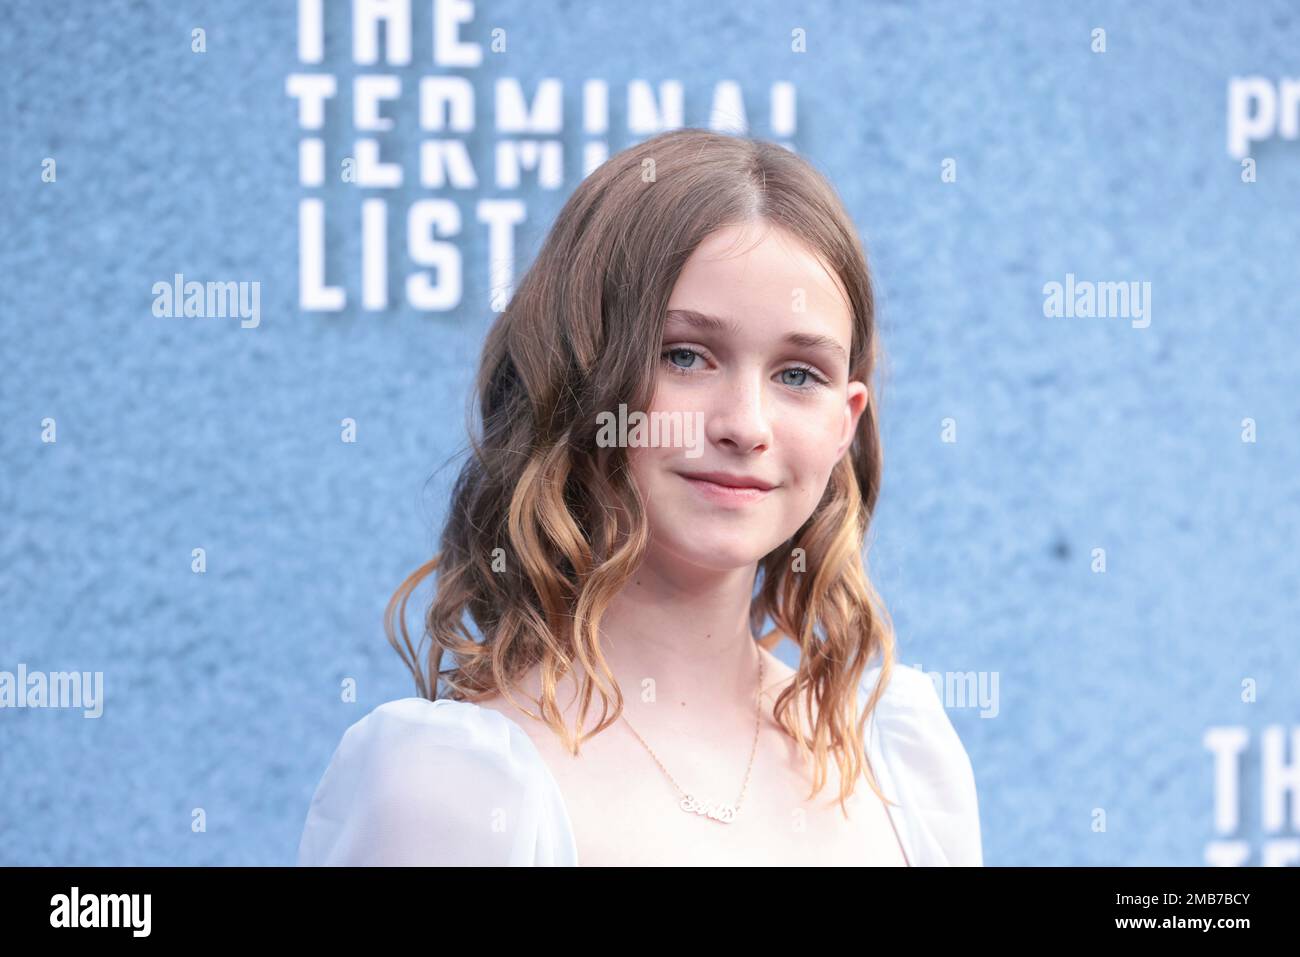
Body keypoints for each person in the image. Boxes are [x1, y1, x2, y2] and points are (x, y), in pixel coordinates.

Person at [297, 128, 983, 867]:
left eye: (797, 374)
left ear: (846, 420)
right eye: (684, 355)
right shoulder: (452, 792)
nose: (745, 426)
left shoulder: (902, 771)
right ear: (578, 379)